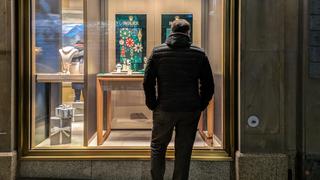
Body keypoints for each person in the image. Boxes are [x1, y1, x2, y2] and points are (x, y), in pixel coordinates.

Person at [143, 19, 214, 180]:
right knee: (184, 150)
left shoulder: (157, 52)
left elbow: (148, 81)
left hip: (164, 107)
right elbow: (208, 84)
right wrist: (200, 104)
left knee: (158, 147)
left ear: (171, 31)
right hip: (190, 109)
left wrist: (153, 104)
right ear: (188, 32)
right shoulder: (199, 53)